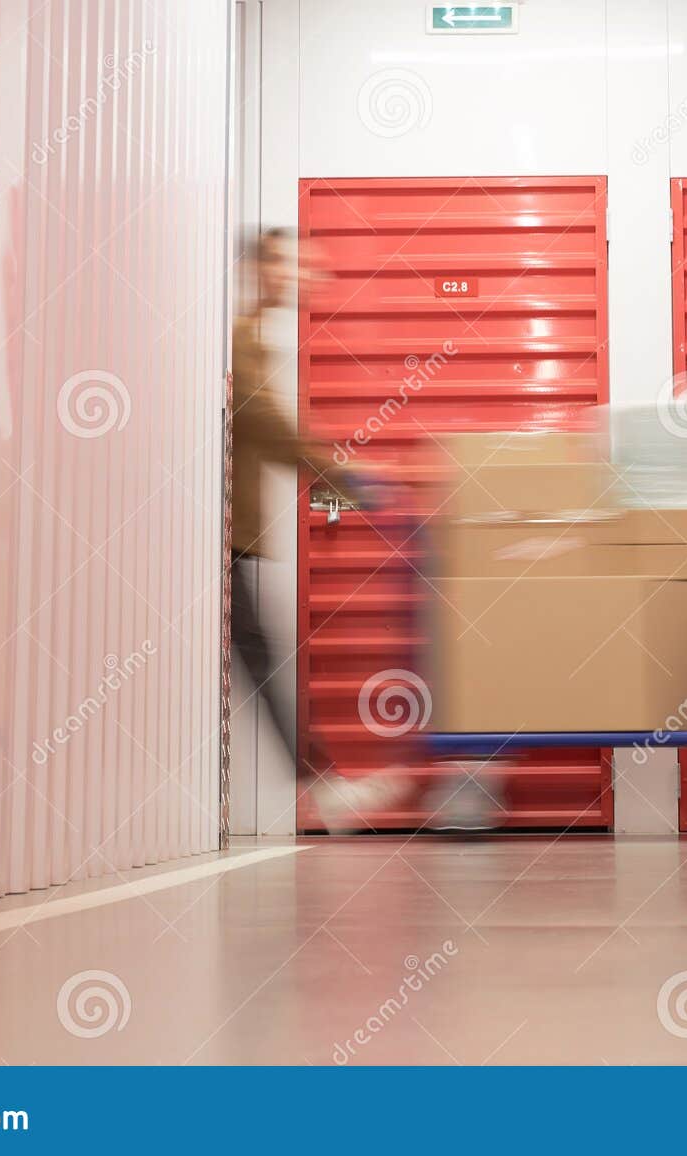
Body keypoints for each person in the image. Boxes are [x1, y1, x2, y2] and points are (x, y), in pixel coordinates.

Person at [231, 227, 406, 833]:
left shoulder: (251, 337)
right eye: (291, 263)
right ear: (259, 267)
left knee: (258, 657)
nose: (305, 276)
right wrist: (348, 477)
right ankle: (323, 786)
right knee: (260, 657)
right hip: (226, 539)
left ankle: (322, 785)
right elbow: (273, 428)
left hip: (235, 536)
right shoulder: (237, 340)